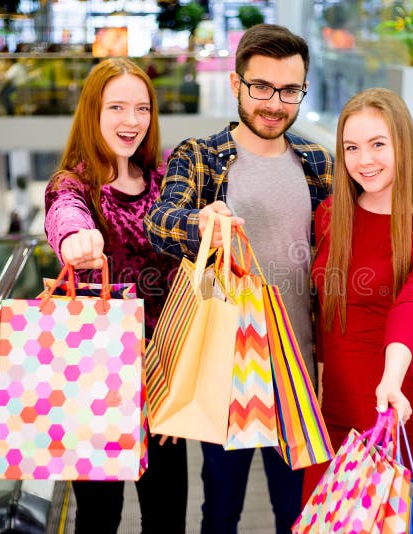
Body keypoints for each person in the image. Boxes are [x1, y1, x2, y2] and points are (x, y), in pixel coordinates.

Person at [144, 23, 334, 534]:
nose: (275, 103)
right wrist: (199, 222)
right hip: (225, 371)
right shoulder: (200, 156)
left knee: (298, 513)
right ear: (236, 85)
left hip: (301, 374)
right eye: (261, 88)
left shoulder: (318, 163)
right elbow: (159, 221)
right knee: (221, 509)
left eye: (290, 90)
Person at [44, 57, 186, 534]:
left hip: (164, 378)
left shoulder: (166, 178)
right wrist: (74, 239)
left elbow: (189, 228)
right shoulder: (76, 184)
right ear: (93, 112)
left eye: (142, 108)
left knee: (167, 513)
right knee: (99, 516)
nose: (132, 122)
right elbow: (64, 214)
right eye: (117, 108)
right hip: (97, 380)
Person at [304, 87, 413, 500]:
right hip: (329, 417)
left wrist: (390, 381)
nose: (363, 160)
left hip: (390, 419)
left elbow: (406, 312)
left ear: (403, 145)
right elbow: (324, 311)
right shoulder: (331, 215)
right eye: (351, 147)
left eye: (377, 144)